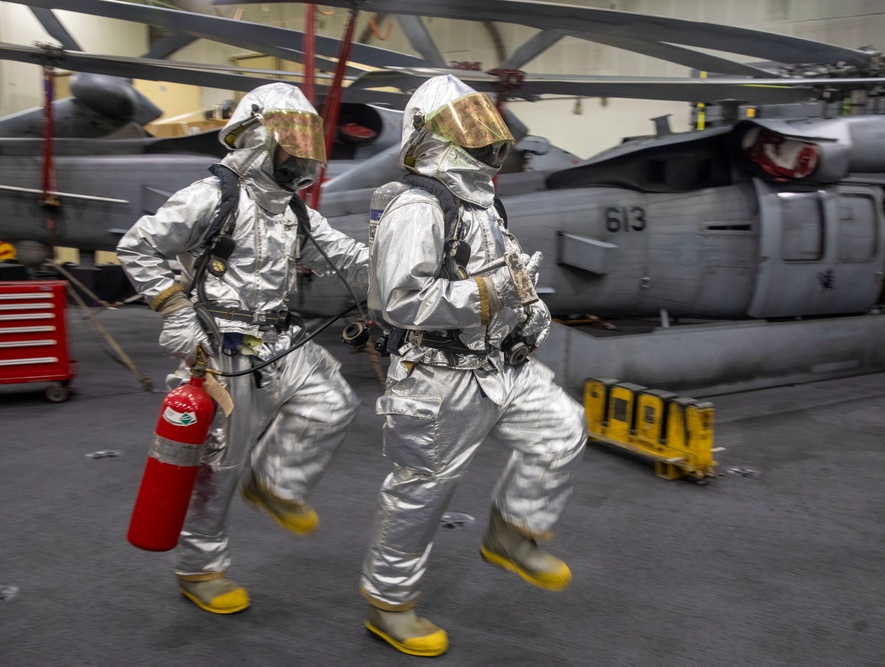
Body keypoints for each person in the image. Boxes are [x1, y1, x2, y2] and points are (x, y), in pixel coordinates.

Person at [117, 83, 368, 614]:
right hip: (220, 345)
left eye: (308, 143)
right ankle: (200, 567)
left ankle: (276, 480)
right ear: (259, 138)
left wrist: (400, 263)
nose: (302, 156)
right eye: (291, 142)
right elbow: (138, 244)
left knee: (334, 403)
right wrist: (177, 315)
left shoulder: (293, 211)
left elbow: (343, 255)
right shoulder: (213, 196)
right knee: (220, 462)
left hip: (279, 335)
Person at [359, 74, 588, 657]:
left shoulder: (483, 203)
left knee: (561, 429)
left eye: (484, 123)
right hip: (437, 379)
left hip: (499, 366)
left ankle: (512, 533)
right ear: (431, 138)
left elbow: (506, 276)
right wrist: (492, 294)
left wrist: (527, 311)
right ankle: (390, 605)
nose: (485, 138)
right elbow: (400, 300)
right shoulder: (416, 206)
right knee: (419, 495)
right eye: (468, 127)